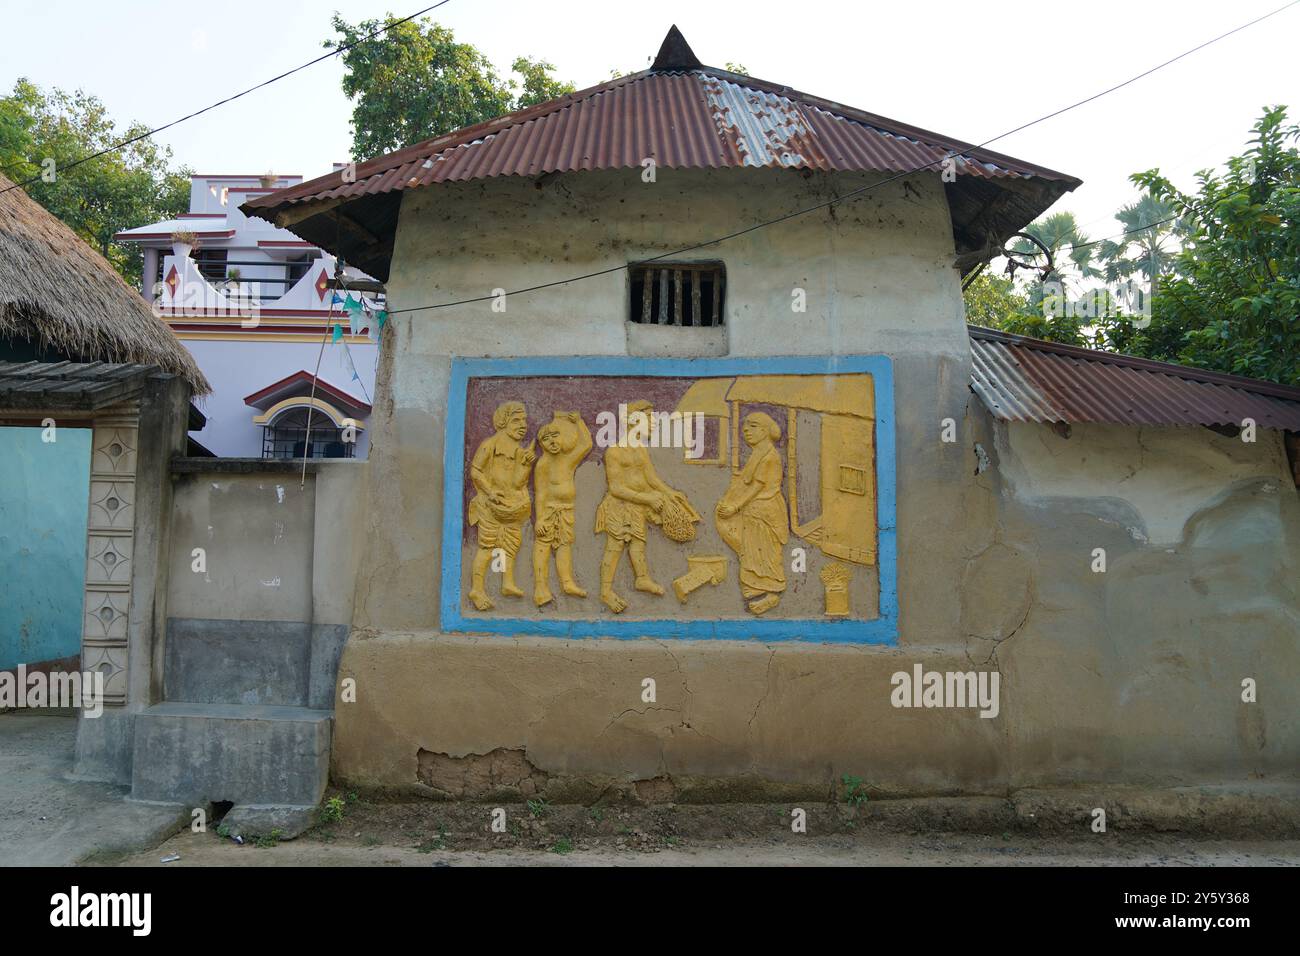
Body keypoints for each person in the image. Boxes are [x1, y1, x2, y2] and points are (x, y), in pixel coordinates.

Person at [595, 399, 699, 613]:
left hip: (636, 506)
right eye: (649, 418)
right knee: (614, 548)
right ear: (633, 420)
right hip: (618, 506)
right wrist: (649, 499)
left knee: (638, 543)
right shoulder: (615, 451)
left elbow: (652, 479)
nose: (653, 422)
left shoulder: (640, 450)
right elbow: (616, 488)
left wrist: (670, 493)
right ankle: (606, 592)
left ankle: (641, 578)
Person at [716, 412, 789, 615]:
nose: (746, 430)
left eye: (753, 426)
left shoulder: (769, 456)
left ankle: (772, 594)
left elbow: (756, 487)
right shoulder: (758, 452)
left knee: (766, 553)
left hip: (765, 512)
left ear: (765, 431)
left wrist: (734, 507)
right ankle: (755, 587)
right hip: (753, 512)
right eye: (745, 426)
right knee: (750, 550)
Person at [467, 401, 534, 610]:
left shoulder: (519, 449)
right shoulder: (491, 444)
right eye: (516, 420)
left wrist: (525, 465)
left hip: (511, 507)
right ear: (503, 422)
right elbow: (476, 471)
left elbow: (517, 483)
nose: (522, 424)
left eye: (524, 420)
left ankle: (507, 583)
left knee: (509, 546)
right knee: (488, 547)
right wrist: (489, 491)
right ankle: (477, 590)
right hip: (490, 506)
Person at [532, 411, 593, 606]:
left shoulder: (567, 459)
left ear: (561, 437)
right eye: (546, 440)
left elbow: (586, 445)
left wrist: (580, 422)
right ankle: (541, 589)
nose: (551, 442)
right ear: (542, 445)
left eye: (554, 436)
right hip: (549, 510)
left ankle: (567, 582)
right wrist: (540, 519)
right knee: (543, 545)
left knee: (564, 545)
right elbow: (540, 493)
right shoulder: (543, 464)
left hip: (566, 510)